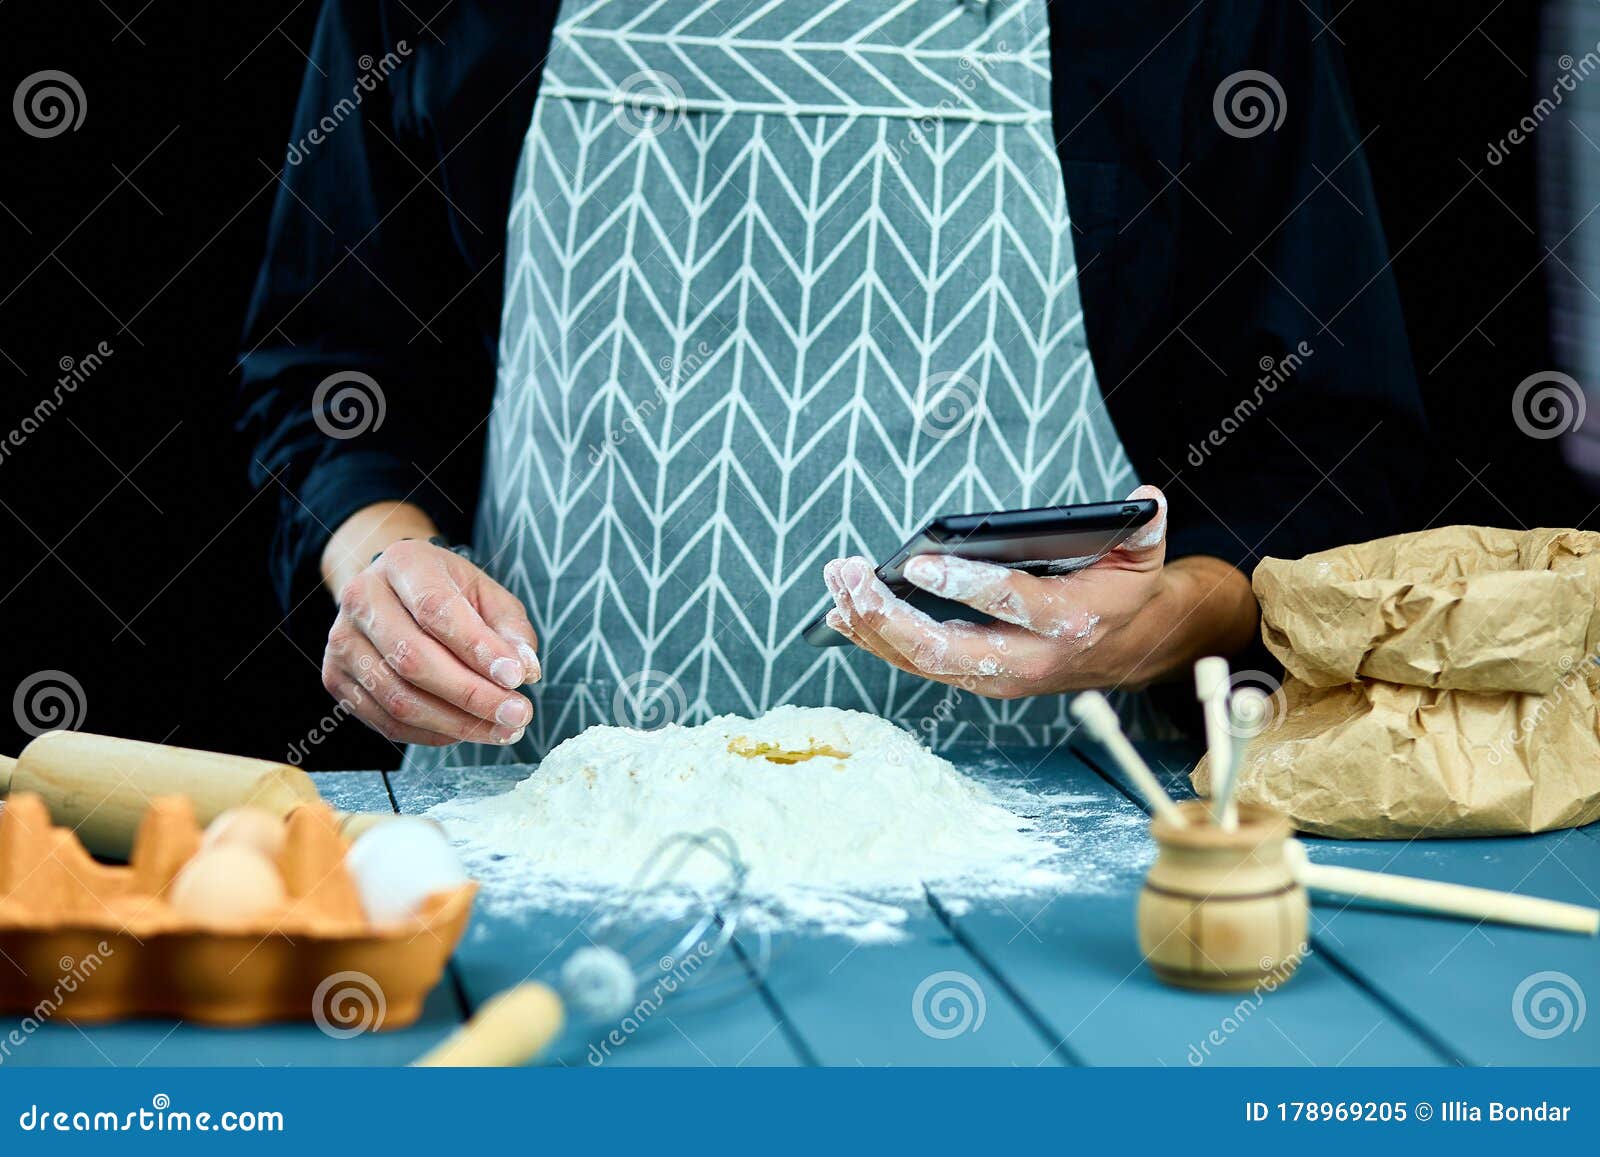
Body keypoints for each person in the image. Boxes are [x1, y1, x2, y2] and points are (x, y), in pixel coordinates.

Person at [239, 0, 1424, 769]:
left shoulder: (1203, 23)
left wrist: (1162, 620)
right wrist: (376, 561)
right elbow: (325, 371)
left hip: (1041, 878)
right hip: (535, 828)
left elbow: (1334, 457)